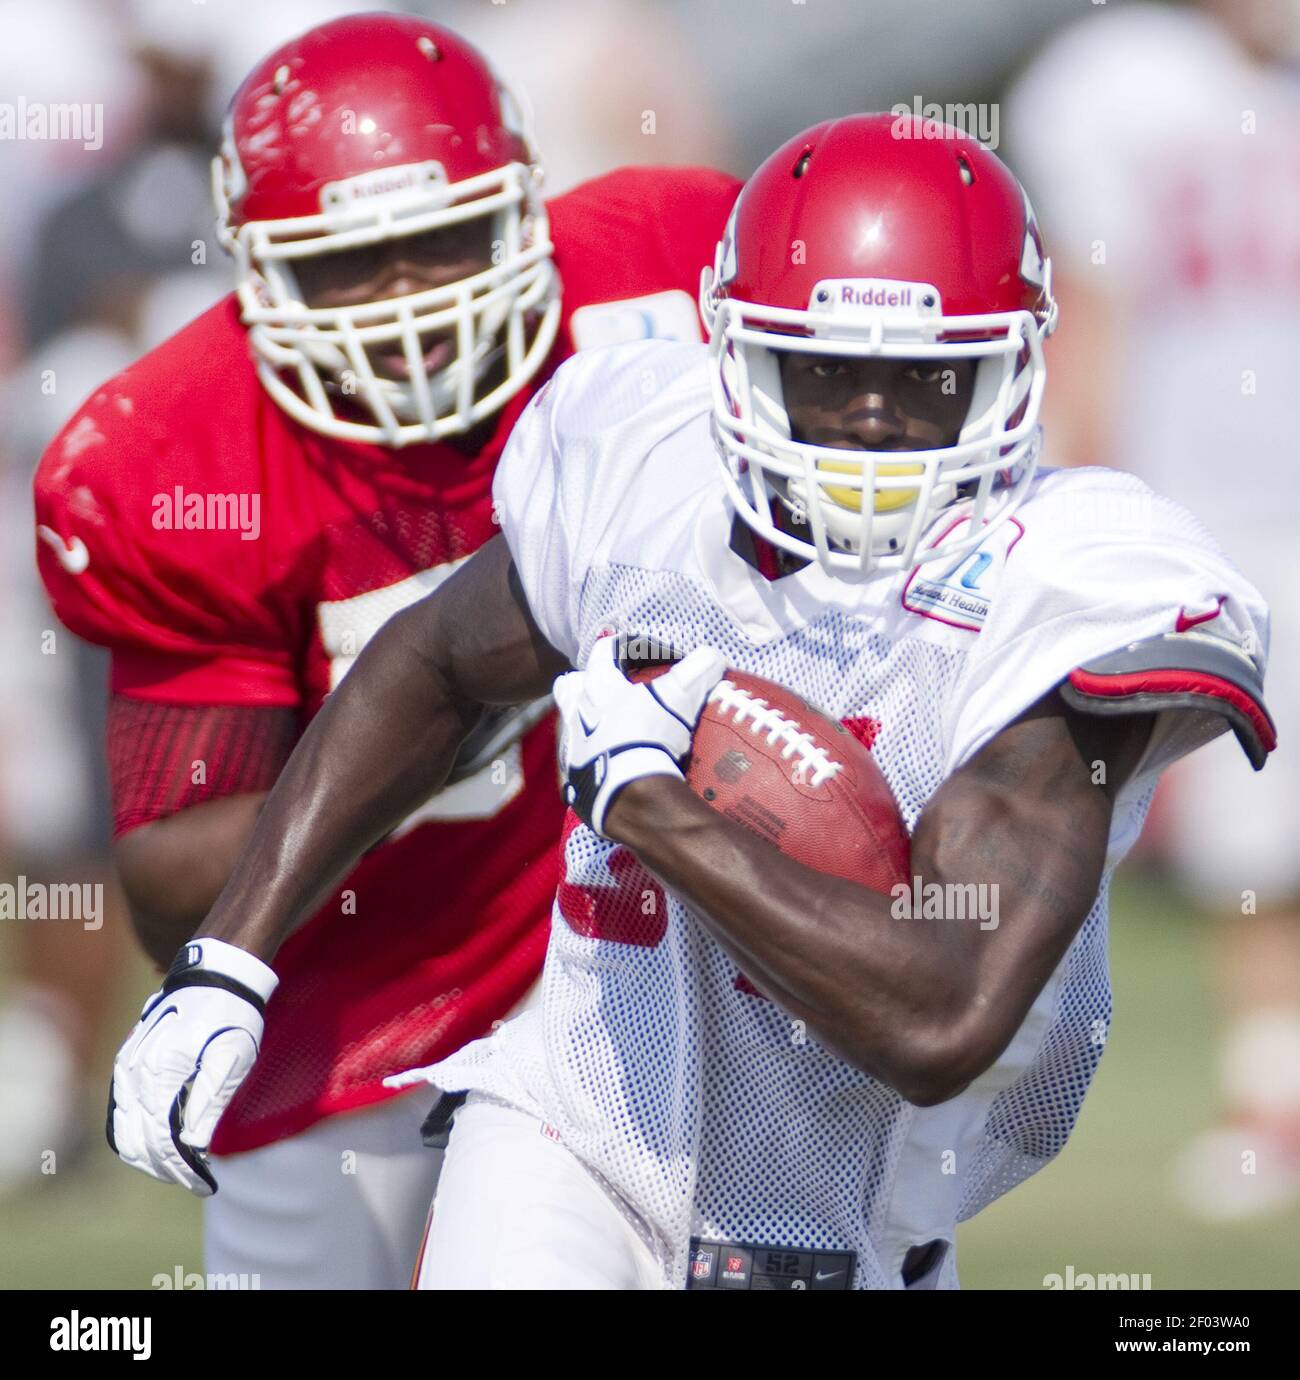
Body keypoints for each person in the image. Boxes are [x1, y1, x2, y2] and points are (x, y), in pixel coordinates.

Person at [99, 114, 1273, 1290]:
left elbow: (939, 1019)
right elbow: (434, 662)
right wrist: (229, 965)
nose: (871, 422)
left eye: (927, 377)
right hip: (578, 1128)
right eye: (821, 370)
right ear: (730, 350)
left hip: (872, 1214)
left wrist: (651, 806)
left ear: (1013, 363)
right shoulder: (642, 466)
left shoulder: (1070, 582)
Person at [33, 12, 740, 1288]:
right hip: (368, 1017)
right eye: (351, 265)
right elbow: (172, 882)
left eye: (443, 242)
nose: (412, 304)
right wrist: (434, 728)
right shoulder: (172, 457)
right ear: (255, 272)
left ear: (523, 204)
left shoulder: (667, 264)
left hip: (669, 971)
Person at [1007, 0, 1300, 1220]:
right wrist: (1089, 515)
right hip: (1218, 515)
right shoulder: (1107, 81)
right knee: (1252, 850)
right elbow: (1089, 311)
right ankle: (1270, 1101)